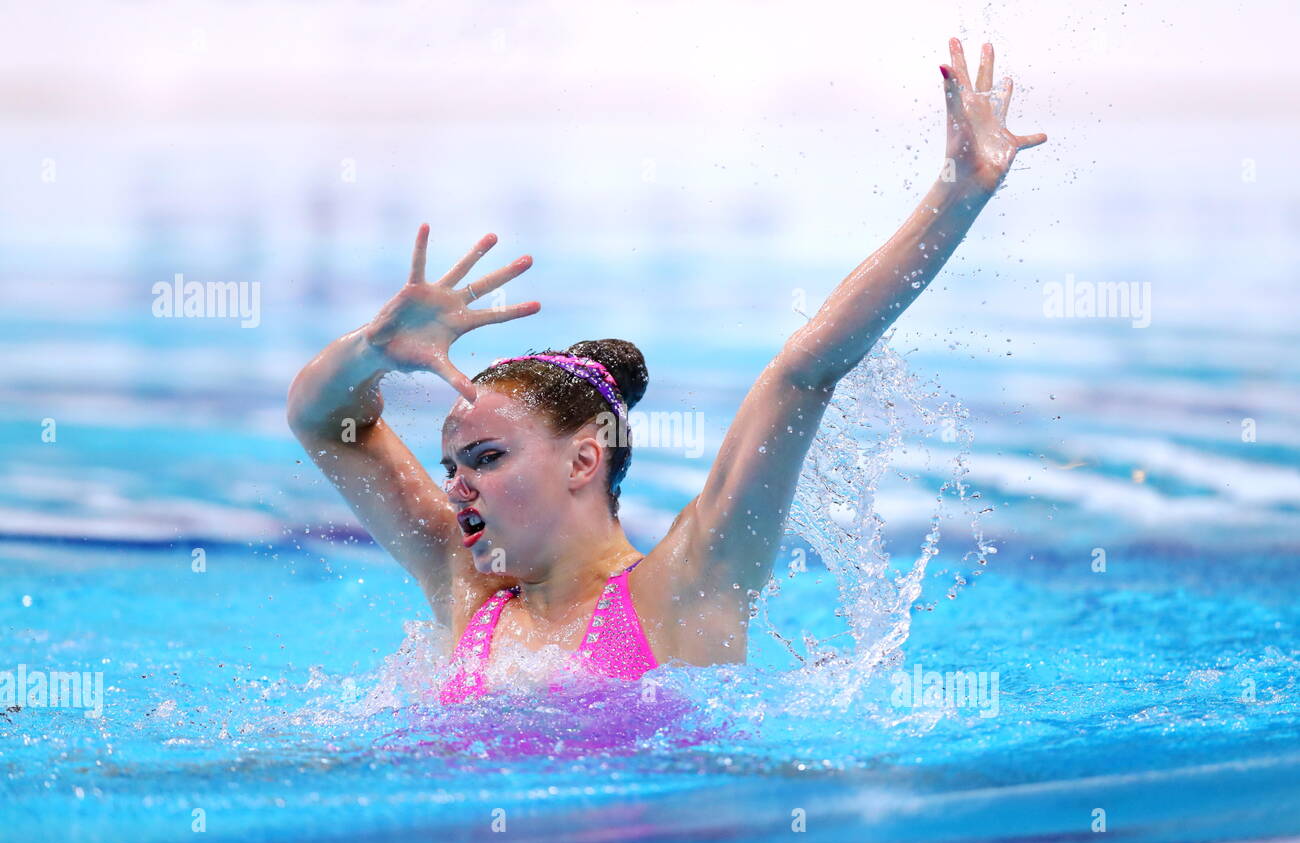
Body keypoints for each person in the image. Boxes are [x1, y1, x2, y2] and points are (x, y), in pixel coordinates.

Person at [286, 38, 1045, 702]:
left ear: (585, 458)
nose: (455, 485)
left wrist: (957, 195)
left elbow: (802, 374)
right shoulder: (465, 591)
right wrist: (372, 349)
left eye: (485, 458)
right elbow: (323, 422)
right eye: (452, 463)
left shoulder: (686, 587)